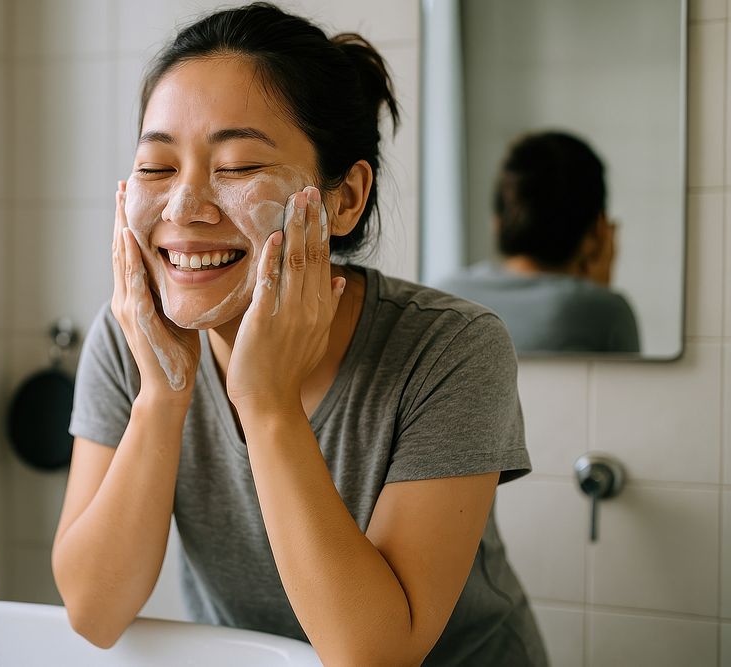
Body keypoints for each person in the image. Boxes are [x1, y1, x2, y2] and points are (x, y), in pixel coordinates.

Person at [51, 4, 548, 665]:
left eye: (235, 166)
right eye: (157, 167)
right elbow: (93, 610)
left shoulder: (452, 350)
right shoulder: (130, 339)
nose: (184, 206)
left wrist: (266, 402)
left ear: (344, 198)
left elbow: (376, 653)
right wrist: (161, 398)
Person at [437, 131, 640, 354]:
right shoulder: (607, 313)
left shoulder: (445, 295)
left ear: (497, 222)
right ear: (598, 231)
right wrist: (599, 292)